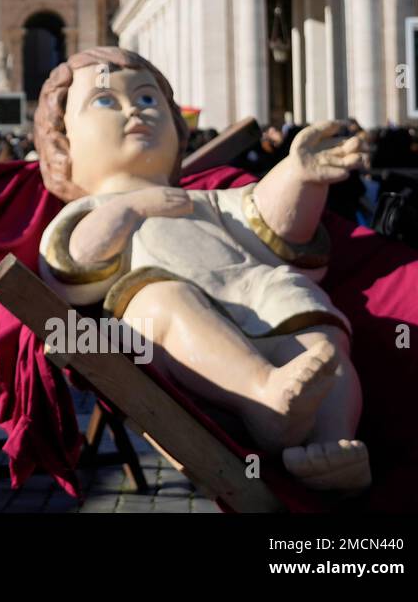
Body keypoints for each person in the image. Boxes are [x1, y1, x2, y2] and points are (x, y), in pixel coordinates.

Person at [34, 47, 370, 492]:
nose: (135, 110)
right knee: (160, 300)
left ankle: (333, 442)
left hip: (256, 291)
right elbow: (72, 266)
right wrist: (132, 208)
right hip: (176, 329)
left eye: (148, 99)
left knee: (317, 333)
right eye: (105, 101)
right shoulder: (93, 208)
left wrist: (298, 175)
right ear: (63, 144)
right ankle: (262, 394)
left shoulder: (209, 200)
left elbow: (271, 225)